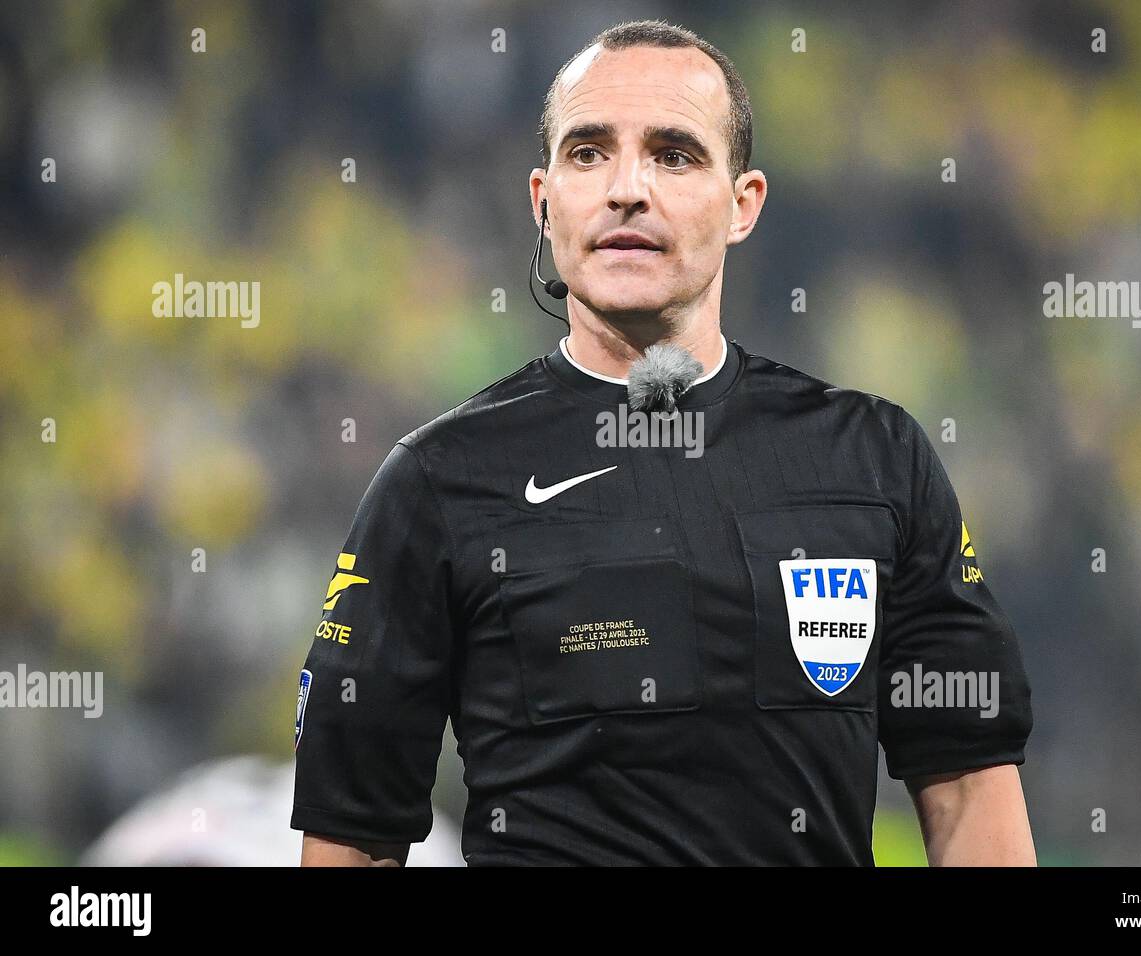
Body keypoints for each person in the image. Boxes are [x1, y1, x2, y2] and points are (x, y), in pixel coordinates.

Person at [292, 19, 1034, 866]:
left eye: (674, 154)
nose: (626, 189)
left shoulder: (874, 459)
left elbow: (972, 790)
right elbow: (353, 841)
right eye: (588, 152)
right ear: (543, 200)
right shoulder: (436, 482)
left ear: (743, 204)